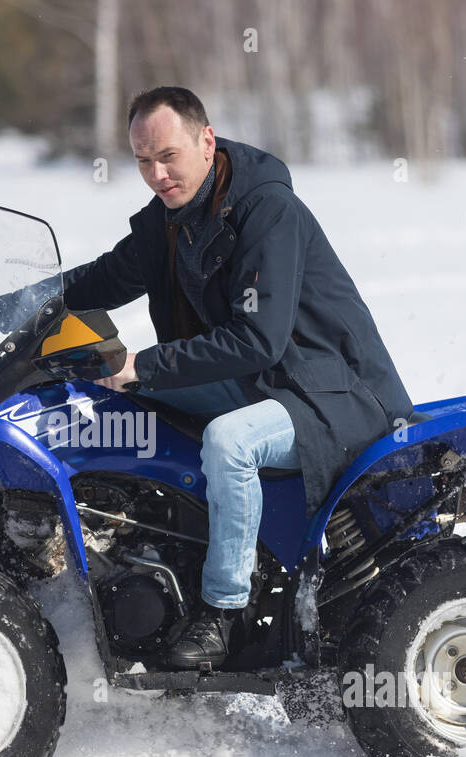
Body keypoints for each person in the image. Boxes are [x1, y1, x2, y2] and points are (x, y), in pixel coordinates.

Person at [59, 86, 416, 670]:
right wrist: (14, 306)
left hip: (327, 391)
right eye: (143, 161)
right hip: (266, 381)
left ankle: (223, 611)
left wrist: (142, 366)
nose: (156, 174)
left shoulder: (266, 208)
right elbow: (104, 278)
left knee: (230, 441)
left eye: (168, 156)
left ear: (206, 140)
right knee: (101, 405)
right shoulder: (171, 218)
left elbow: (259, 339)